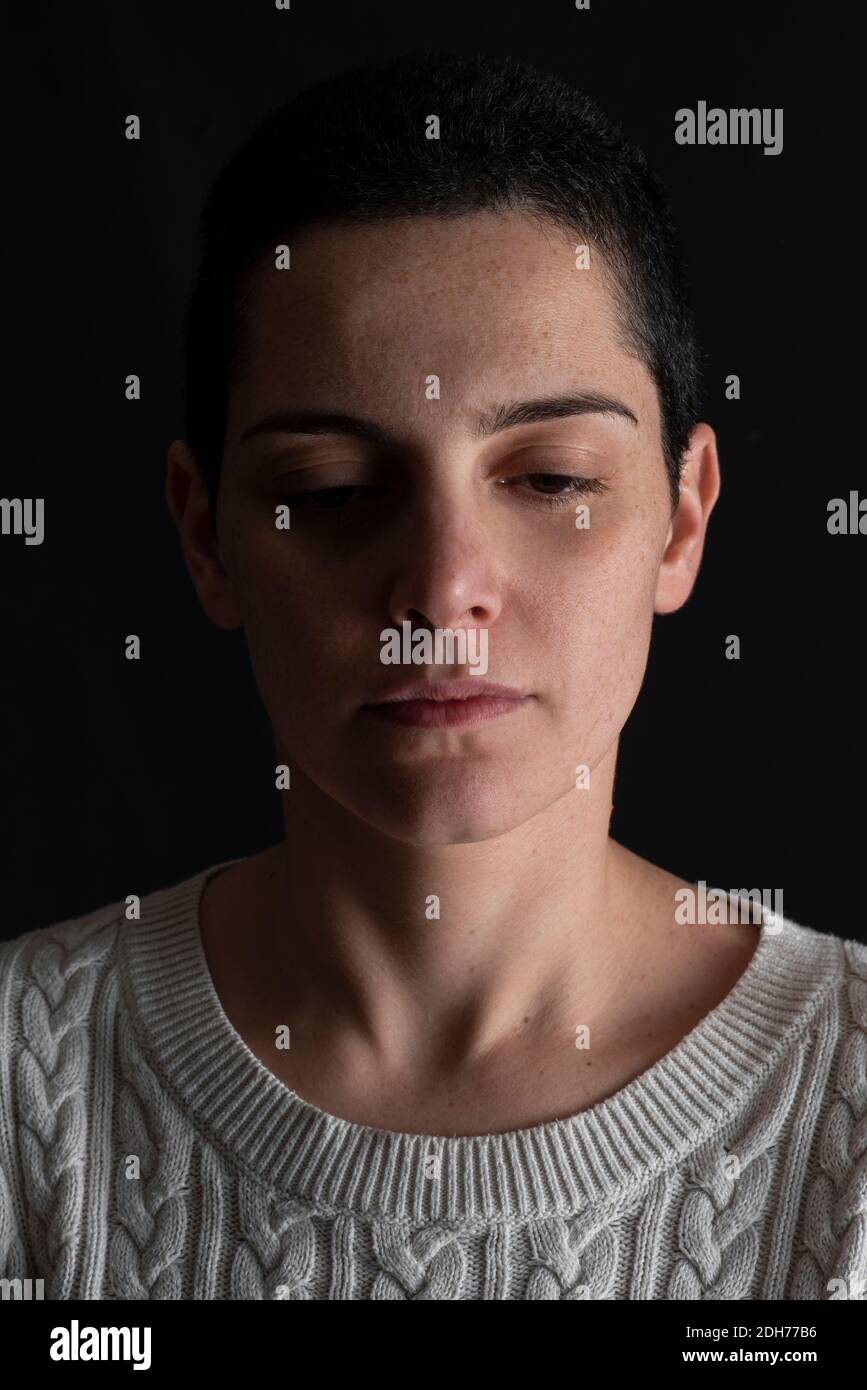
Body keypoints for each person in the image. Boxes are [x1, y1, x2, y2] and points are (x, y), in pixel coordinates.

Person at [1, 51, 864, 1303]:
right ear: (207, 535)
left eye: (552, 479)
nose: (441, 587)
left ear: (681, 520)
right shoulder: (27, 1094)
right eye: (333, 494)